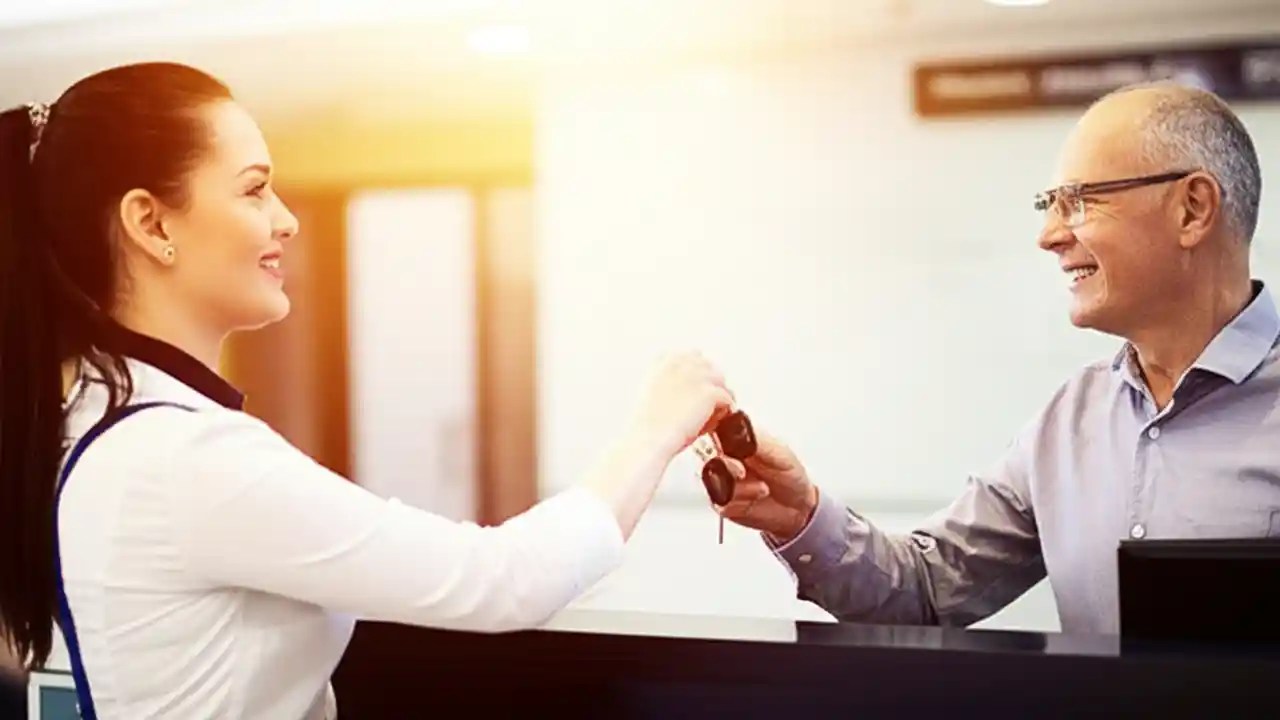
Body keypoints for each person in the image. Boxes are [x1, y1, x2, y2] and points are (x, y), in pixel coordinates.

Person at [0, 62, 736, 719]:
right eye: (254, 189)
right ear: (150, 221)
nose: (286, 220)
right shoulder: (181, 457)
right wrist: (655, 427)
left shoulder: (107, 424)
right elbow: (505, 579)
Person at [716, 81, 1278, 635]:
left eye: (1077, 201)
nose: (1049, 235)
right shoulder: (1071, 421)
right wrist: (800, 515)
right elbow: (926, 589)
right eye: (1050, 206)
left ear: (1192, 210)